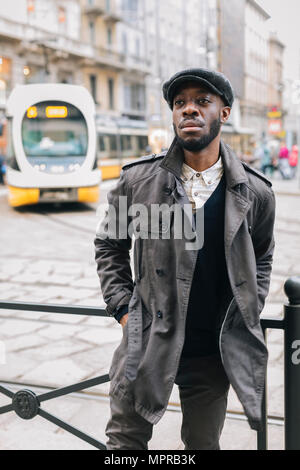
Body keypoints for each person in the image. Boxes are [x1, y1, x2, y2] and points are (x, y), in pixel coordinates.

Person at [94, 68, 276, 450]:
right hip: (144, 343)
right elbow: (109, 245)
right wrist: (124, 310)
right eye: (180, 104)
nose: (189, 110)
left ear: (223, 113)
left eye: (201, 102)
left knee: (202, 445)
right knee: (123, 445)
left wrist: (249, 306)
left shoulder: (256, 192)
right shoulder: (136, 181)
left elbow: (262, 256)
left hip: (212, 353)